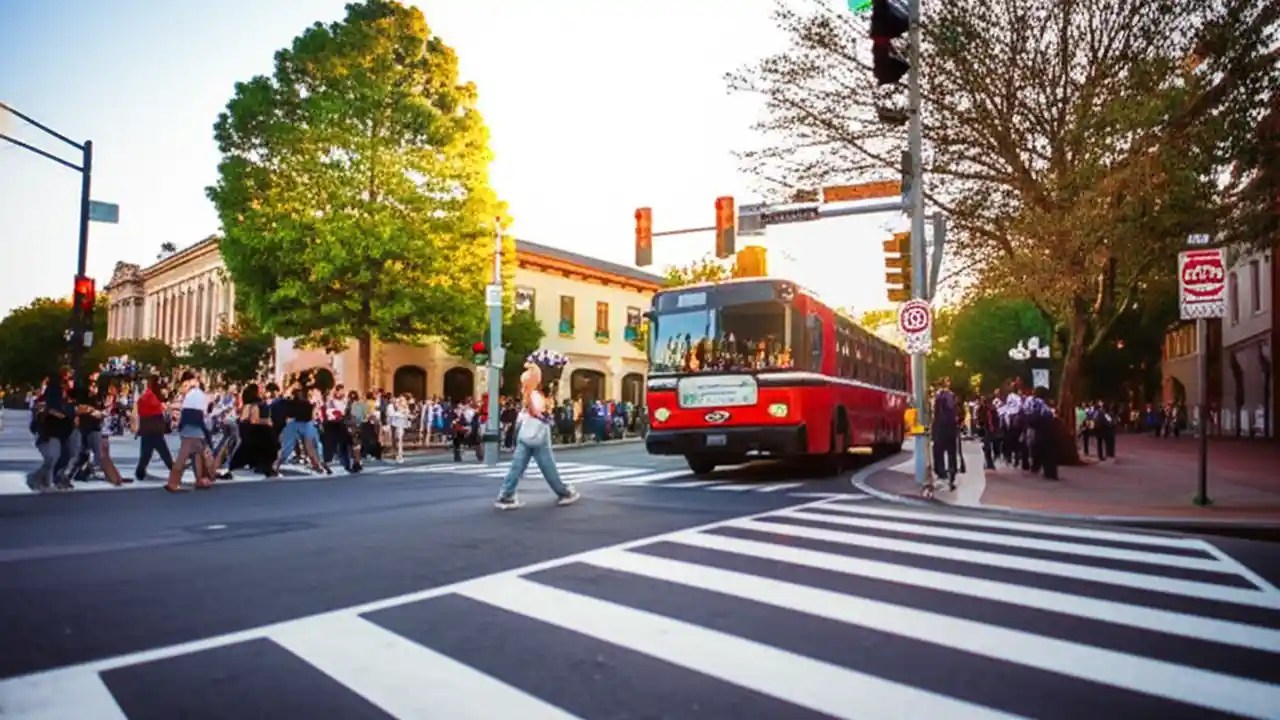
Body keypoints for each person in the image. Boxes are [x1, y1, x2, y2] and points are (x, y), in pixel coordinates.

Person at [494, 363, 580, 510]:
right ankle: (564, 492)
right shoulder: (535, 394)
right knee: (547, 465)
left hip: (525, 432)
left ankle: (506, 494)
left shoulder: (526, 394)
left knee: (518, 465)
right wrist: (548, 408)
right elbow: (540, 413)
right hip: (538, 432)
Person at [165, 371, 215, 492]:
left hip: (189, 427)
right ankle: (174, 482)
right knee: (187, 455)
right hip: (196, 427)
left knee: (194, 454)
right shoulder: (200, 395)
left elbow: (187, 412)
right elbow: (203, 414)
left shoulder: (191, 394)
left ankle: (194, 480)